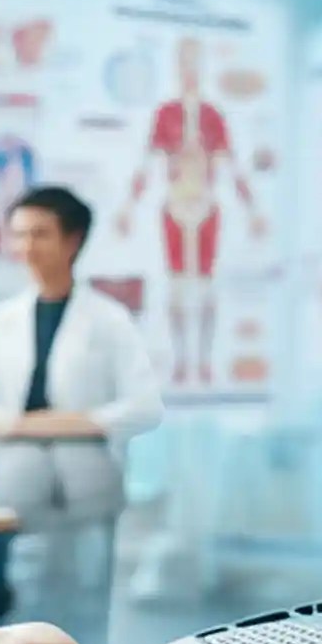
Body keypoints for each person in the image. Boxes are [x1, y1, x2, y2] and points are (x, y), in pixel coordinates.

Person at [0, 186, 164, 617]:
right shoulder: (2, 319)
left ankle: (0, 606)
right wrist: (19, 425)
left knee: (20, 481)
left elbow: (144, 407)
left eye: (40, 234)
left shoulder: (108, 320)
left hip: (73, 455)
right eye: (19, 235)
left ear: (73, 240)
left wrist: (65, 423)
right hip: (6, 443)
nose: (26, 247)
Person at [117, 36, 266, 386]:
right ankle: (183, 361)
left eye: (195, 62)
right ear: (176, 66)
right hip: (174, 204)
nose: (189, 70)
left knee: (206, 287)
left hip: (206, 205)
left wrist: (253, 210)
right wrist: (127, 208)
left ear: (203, 66)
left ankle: (205, 361)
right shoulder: (165, 114)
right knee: (178, 287)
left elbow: (233, 166)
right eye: (183, 62)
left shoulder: (213, 116)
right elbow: (147, 164)